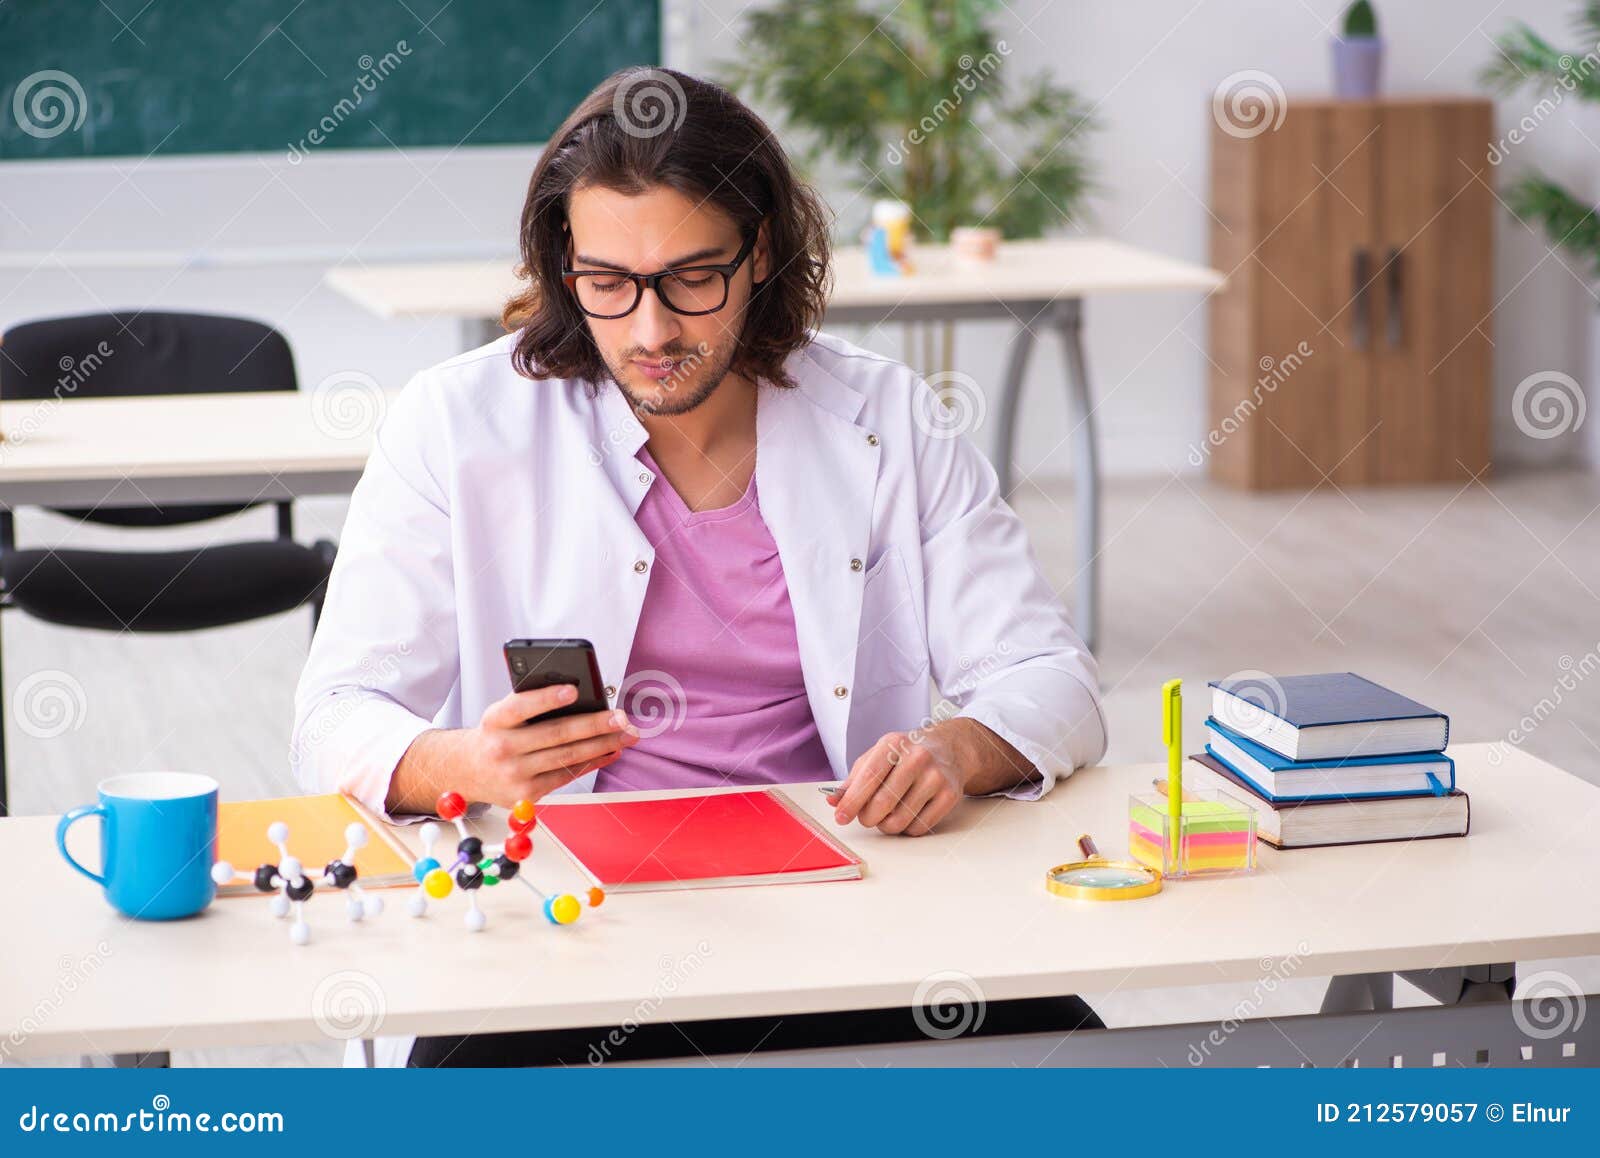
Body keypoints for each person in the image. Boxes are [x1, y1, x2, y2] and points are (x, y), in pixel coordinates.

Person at [291, 67, 1108, 1067]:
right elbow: (333, 716)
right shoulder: (455, 424)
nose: (650, 332)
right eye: (607, 283)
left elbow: (1053, 679)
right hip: (569, 925)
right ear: (563, 266)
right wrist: (463, 763)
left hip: (849, 909)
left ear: (761, 250)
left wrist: (958, 749)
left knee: (1092, 1079)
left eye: (691, 278)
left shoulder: (888, 419)